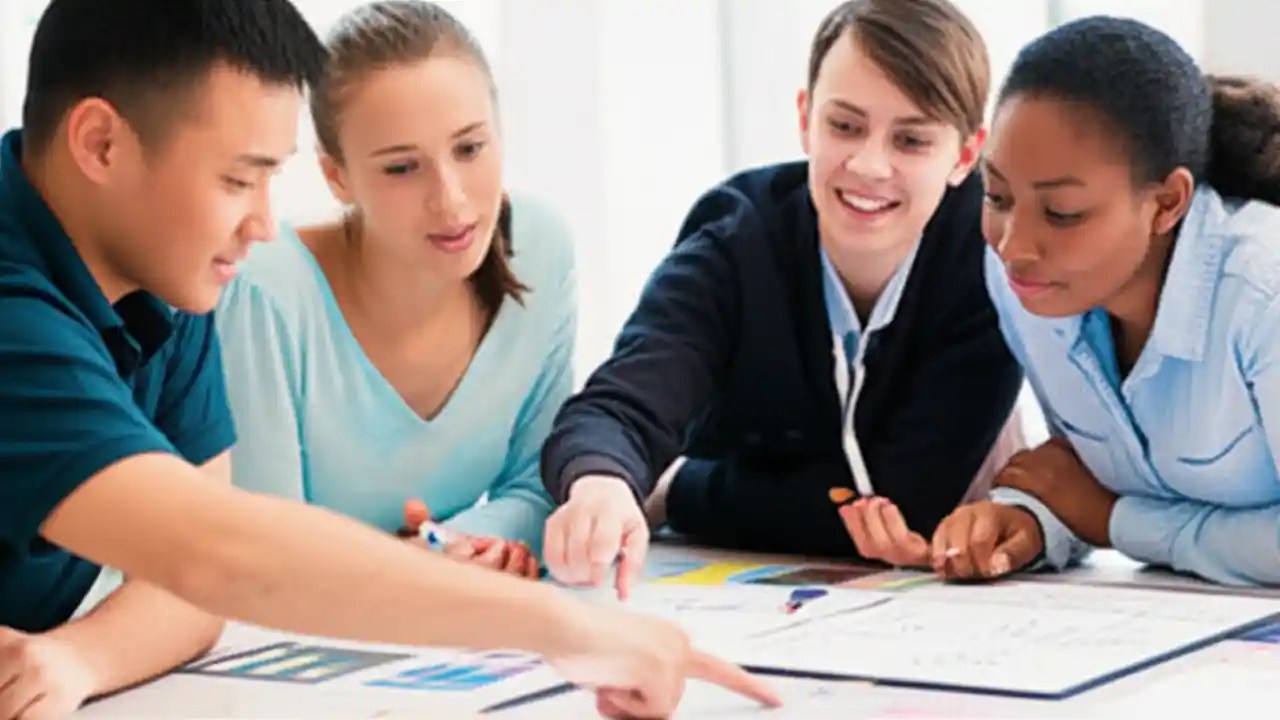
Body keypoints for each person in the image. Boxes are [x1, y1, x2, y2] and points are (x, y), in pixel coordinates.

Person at [0, 1, 780, 717]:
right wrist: (566, 628)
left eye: (270, 178)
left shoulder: (169, 277)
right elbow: (222, 557)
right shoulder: (19, 308)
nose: (264, 225)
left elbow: (193, 580)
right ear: (100, 143)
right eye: (238, 180)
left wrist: (74, 661)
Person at [541, 0, 1024, 598]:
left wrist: (680, 489)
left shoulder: (990, 260)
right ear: (805, 119)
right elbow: (613, 414)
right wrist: (604, 486)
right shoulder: (736, 236)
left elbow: (913, 504)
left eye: (911, 140)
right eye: (844, 126)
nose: (870, 165)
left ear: (966, 155)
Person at [216, 1, 569, 578]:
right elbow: (266, 555)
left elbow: (541, 485)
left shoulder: (540, 246)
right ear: (338, 176)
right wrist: (404, 567)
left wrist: (457, 545)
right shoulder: (263, 293)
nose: (451, 200)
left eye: (470, 148)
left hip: (431, 619)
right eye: (402, 168)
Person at [931, 16, 1280, 588]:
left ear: (1167, 203)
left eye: (1062, 213)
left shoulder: (1264, 293)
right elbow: (1094, 474)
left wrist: (1116, 522)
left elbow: (1108, 505)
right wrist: (1033, 521)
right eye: (997, 195)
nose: (1014, 245)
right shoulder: (1028, 286)